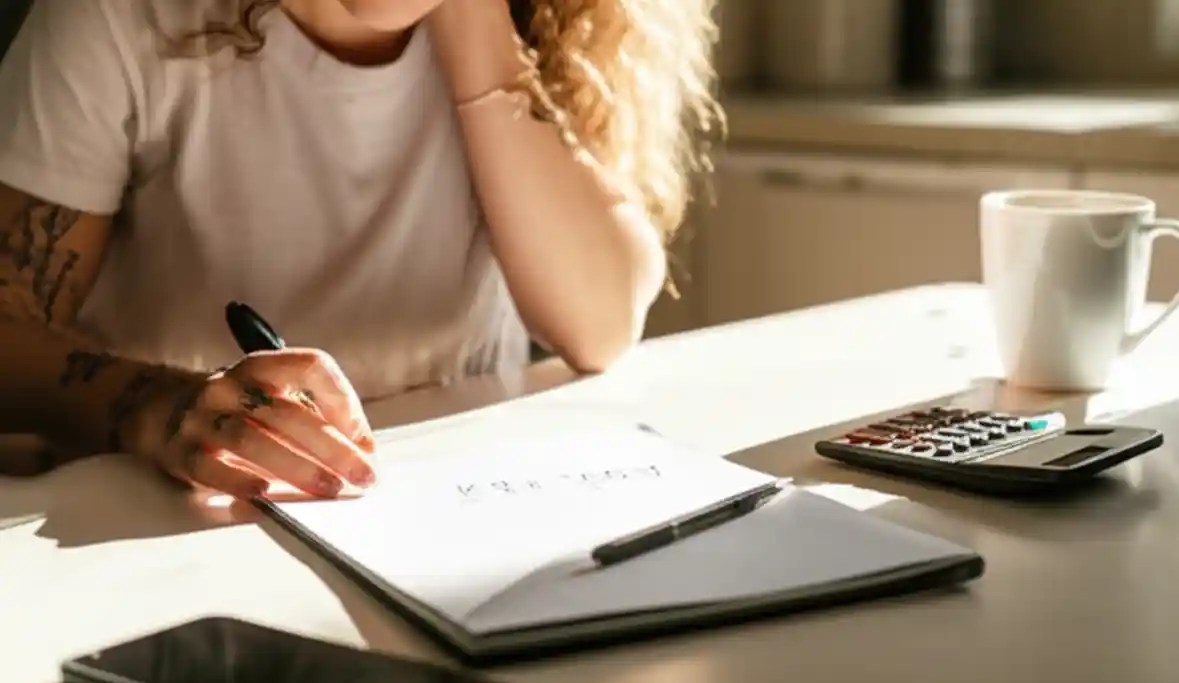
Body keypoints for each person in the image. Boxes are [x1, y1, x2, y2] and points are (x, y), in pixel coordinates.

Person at [0, 0, 721, 496]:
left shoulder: (548, 24)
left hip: (452, 511)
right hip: (177, 517)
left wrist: (476, 33)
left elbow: (599, 324)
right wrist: (158, 403)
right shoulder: (120, 17)